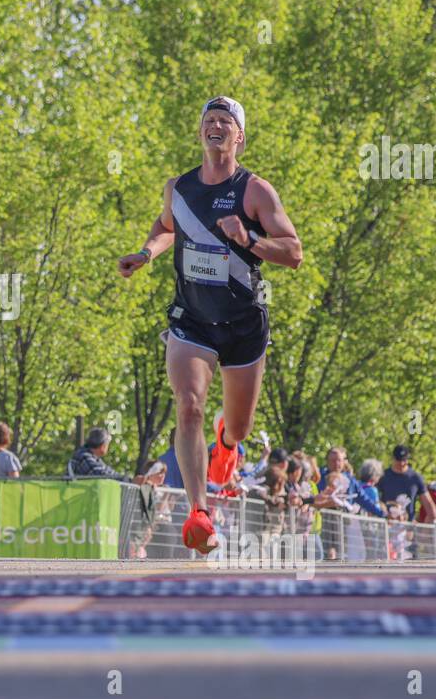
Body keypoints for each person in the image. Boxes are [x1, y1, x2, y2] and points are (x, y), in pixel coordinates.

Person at [118, 96, 302, 555]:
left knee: (238, 430)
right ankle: (199, 511)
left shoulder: (255, 190)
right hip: (192, 319)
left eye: (225, 121)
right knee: (189, 406)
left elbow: (294, 253)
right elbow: (165, 228)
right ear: (201, 132)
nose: (215, 126)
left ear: (239, 136)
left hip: (243, 324)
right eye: (209, 120)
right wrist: (145, 254)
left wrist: (250, 239)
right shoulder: (178, 188)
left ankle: (227, 442)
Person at [377, 445, 432, 522]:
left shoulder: (415, 477)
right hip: (387, 524)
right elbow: (376, 500)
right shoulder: (383, 476)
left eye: (404, 460)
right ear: (393, 458)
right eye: (398, 460)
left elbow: (428, 503)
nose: (402, 463)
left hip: (408, 526)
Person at [68, 428, 142, 482]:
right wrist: (128, 480)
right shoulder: (83, 456)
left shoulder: (93, 458)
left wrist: (128, 479)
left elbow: (109, 471)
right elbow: (101, 475)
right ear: (103, 445)